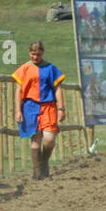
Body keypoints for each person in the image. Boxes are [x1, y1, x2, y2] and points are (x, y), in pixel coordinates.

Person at [12, 40, 65, 180]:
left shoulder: (50, 68)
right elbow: (18, 91)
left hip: (48, 106)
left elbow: (58, 89)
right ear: (29, 53)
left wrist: (61, 108)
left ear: (43, 53)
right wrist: (18, 110)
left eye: (38, 54)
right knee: (36, 139)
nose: (35, 57)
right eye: (33, 54)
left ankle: (43, 162)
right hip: (30, 106)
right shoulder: (24, 68)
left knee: (49, 139)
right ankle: (37, 173)